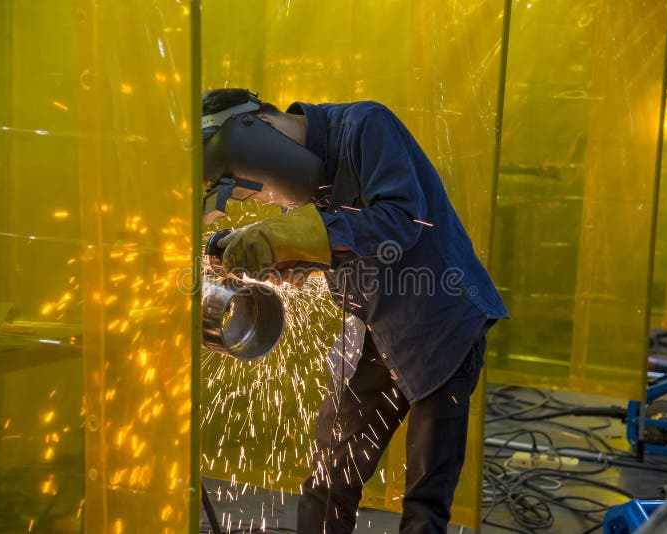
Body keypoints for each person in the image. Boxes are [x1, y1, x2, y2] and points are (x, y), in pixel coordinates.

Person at [201, 88, 509, 534]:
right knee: (329, 479)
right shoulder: (303, 186)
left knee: (424, 506)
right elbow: (337, 247)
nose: (265, 200)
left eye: (251, 186)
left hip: (442, 328)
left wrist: (292, 234)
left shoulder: (366, 126)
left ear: (260, 132)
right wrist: (288, 262)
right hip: (373, 331)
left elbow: (401, 220)